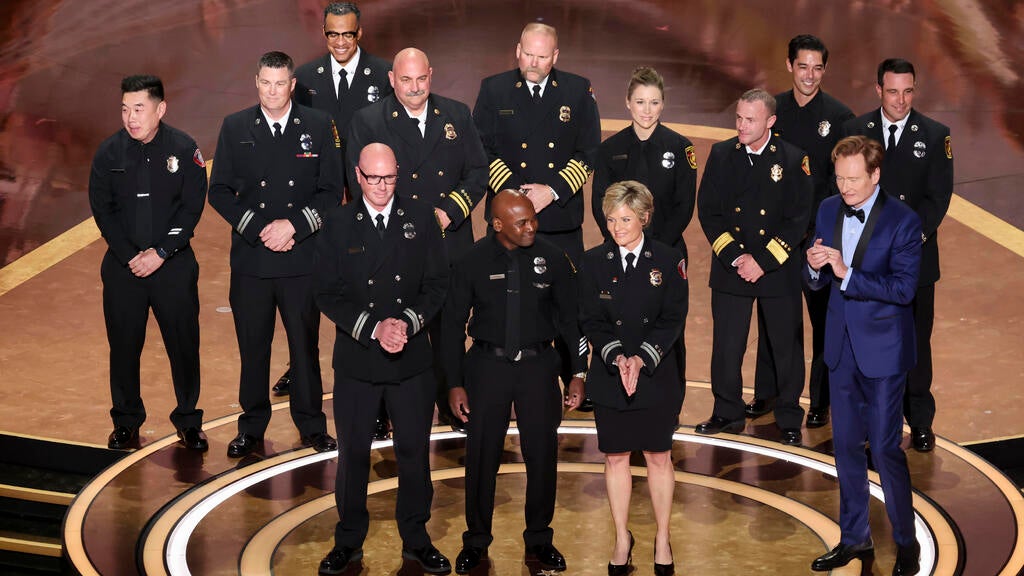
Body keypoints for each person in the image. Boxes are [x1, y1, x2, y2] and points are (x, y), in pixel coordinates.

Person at [314, 143, 451, 575]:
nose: (381, 187)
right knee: (353, 455)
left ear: (399, 174)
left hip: (410, 359)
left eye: (389, 178)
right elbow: (326, 292)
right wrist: (374, 327)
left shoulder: (421, 218)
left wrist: (406, 324)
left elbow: (437, 284)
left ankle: (417, 538)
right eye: (373, 178)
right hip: (358, 359)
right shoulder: (337, 223)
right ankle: (348, 542)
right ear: (358, 175)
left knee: (414, 452)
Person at [443, 190, 585, 574]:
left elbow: (571, 322)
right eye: (522, 222)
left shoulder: (554, 259)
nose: (531, 227)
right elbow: (453, 326)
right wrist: (454, 383)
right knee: (481, 458)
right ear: (497, 224)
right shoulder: (471, 260)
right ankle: (476, 541)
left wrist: (578, 373)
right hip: (487, 368)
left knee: (542, 458)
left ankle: (540, 539)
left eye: (533, 219)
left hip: (539, 368)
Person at [346, 47, 487, 432]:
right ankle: (383, 411)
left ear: (431, 75)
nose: (413, 88)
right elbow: (360, 182)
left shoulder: (456, 115)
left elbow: (478, 173)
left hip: (449, 238)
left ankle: (449, 402)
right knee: (391, 324)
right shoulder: (368, 120)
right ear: (391, 80)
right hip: (393, 244)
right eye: (404, 80)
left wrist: (448, 213)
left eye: (420, 79)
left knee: (448, 327)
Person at [208, 51, 340, 459]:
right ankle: (251, 428)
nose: (272, 90)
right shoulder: (235, 126)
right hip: (252, 260)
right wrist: (257, 228)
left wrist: (294, 227)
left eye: (280, 83)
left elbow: (331, 192)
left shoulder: (318, 126)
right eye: (265, 82)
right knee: (253, 348)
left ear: (292, 85)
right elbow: (219, 191)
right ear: (256, 81)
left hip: (301, 260)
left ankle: (312, 425)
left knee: (304, 347)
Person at [806, 135, 922, 576]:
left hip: (884, 356)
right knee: (847, 450)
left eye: (854, 179)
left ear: (876, 175)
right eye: (839, 178)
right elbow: (814, 276)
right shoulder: (828, 208)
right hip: (841, 350)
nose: (845, 188)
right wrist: (815, 265)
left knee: (886, 449)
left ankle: (906, 542)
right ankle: (854, 537)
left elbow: (903, 289)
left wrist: (846, 273)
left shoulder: (904, 222)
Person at [473, 22, 600, 409]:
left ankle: (575, 377)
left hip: (558, 217)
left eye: (542, 56)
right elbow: (480, 149)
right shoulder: (493, 90)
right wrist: (515, 195)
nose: (533, 62)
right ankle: (501, 379)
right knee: (504, 300)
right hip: (508, 220)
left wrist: (551, 191)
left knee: (567, 305)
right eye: (528, 53)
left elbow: (588, 153)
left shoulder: (578, 92)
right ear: (517, 49)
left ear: (556, 57)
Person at [88, 74, 208, 451]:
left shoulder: (184, 148)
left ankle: (188, 420)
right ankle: (125, 421)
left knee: (183, 345)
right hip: (125, 269)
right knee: (123, 347)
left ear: (161, 109)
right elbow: (102, 211)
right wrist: (129, 256)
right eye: (125, 109)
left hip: (172, 266)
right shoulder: (108, 154)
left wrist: (160, 253)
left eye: (139, 108)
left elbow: (192, 208)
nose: (131, 117)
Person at [841, 58, 953, 452]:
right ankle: (872, 423)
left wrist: (906, 240)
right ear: (878, 90)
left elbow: (937, 198)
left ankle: (920, 421)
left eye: (908, 91)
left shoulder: (936, 135)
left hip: (915, 260)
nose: (901, 100)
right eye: (892, 91)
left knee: (917, 345)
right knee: (871, 345)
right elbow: (845, 193)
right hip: (868, 261)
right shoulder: (855, 132)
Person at [283, 1, 393, 397]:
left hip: (372, 199)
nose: (341, 41)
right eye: (333, 34)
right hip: (324, 202)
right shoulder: (306, 78)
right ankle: (301, 363)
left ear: (360, 33)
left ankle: (375, 361)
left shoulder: (383, 75)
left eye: (348, 33)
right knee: (316, 287)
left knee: (370, 285)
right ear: (324, 34)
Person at [579, 181, 687, 576]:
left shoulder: (670, 259)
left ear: (644, 217)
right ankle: (622, 537)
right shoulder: (592, 262)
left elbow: (673, 318)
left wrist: (641, 358)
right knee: (616, 457)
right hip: (610, 375)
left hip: (657, 375)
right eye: (611, 219)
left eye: (625, 219)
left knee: (659, 456)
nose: (617, 227)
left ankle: (662, 536)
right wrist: (618, 357)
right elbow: (590, 318)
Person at [749, 34, 855, 428]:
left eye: (817, 67)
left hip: (818, 239)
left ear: (824, 70)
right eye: (803, 66)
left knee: (824, 322)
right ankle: (769, 391)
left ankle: (820, 402)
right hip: (776, 237)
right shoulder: (772, 111)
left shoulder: (841, 117)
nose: (809, 75)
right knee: (774, 318)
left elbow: (840, 182)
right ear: (789, 65)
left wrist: (819, 232)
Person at [695, 88, 812, 445]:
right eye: (739, 118)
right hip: (733, 266)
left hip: (776, 268)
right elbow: (709, 212)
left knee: (785, 346)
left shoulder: (793, 159)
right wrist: (735, 258)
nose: (741, 126)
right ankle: (726, 411)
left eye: (750, 119)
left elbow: (799, 219)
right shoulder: (721, 154)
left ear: (771, 122)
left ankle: (789, 415)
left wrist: (762, 262)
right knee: (727, 346)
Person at [592, 65, 696, 413]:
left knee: (668, 332)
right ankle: (618, 399)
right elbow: (600, 204)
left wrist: (653, 250)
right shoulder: (610, 150)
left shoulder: (680, 148)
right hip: (619, 255)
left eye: (654, 102)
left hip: (665, 256)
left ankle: (670, 406)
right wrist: (625, 242)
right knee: (619, 326)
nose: (647, 110)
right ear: (627, 103)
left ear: (663, 104)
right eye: (640, 102)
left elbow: (683, 206)